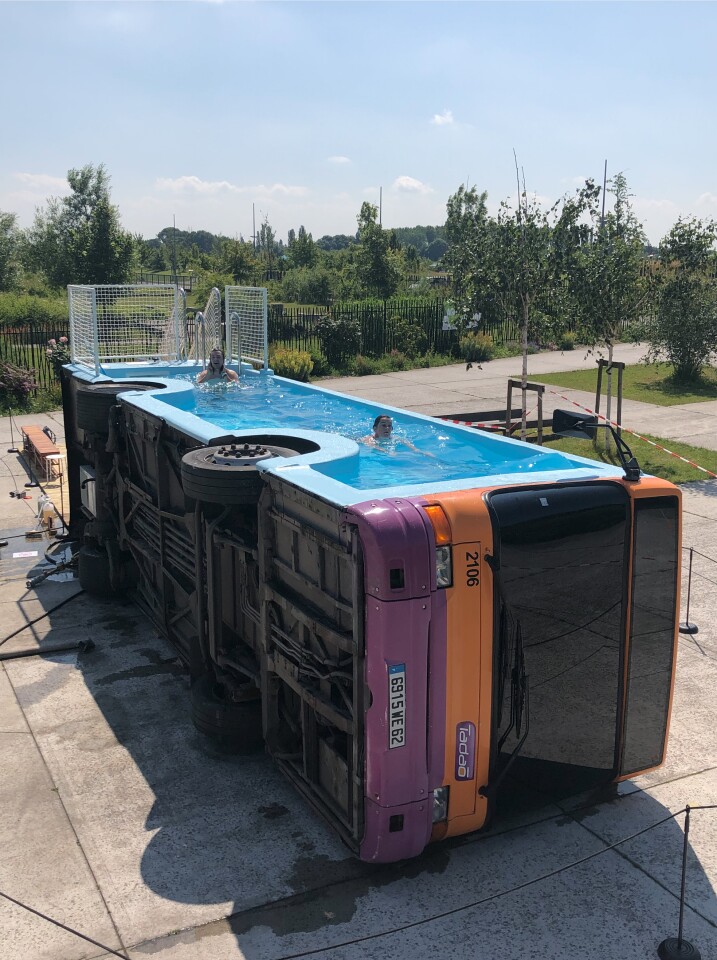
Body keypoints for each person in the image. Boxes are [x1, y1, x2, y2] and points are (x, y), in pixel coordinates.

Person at [360, 414, 436, 457]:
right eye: (383, 425)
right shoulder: (369, 439)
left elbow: (413, 448)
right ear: (375, 429)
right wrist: (387, 451)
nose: (387, 428)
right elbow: (373, 446)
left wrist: (423, 452)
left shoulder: (396, 438)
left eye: (389, 426)